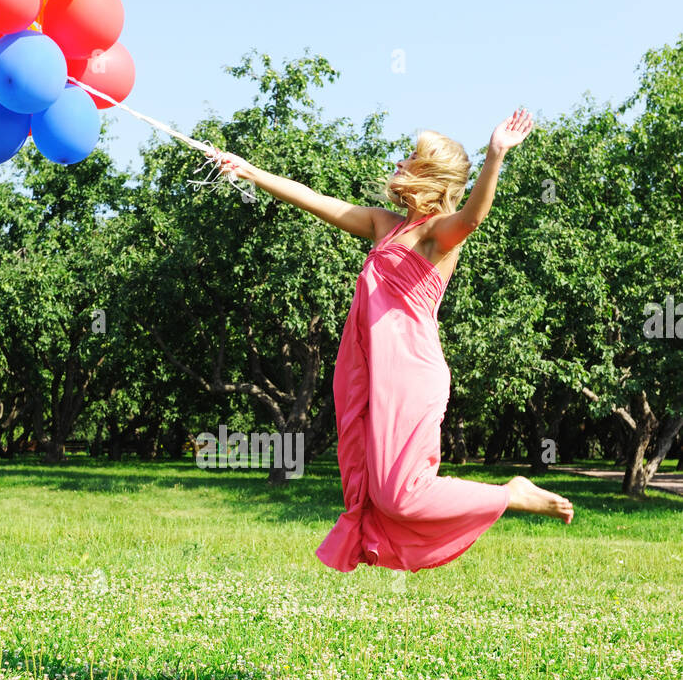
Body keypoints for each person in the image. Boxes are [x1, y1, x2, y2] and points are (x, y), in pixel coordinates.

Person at [207, 111, 573, 573]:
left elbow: (476, 215)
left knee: (401, 495)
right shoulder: (386, 225)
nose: (401, 161)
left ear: (432, 178)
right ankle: (498, 497)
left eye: (413, 158)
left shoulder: (440, 235)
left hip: (412, 375)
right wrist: (250, 171)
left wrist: (494, 155)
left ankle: (511, 494)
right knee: (382, 492)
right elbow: (317, 200)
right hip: (371, 373)